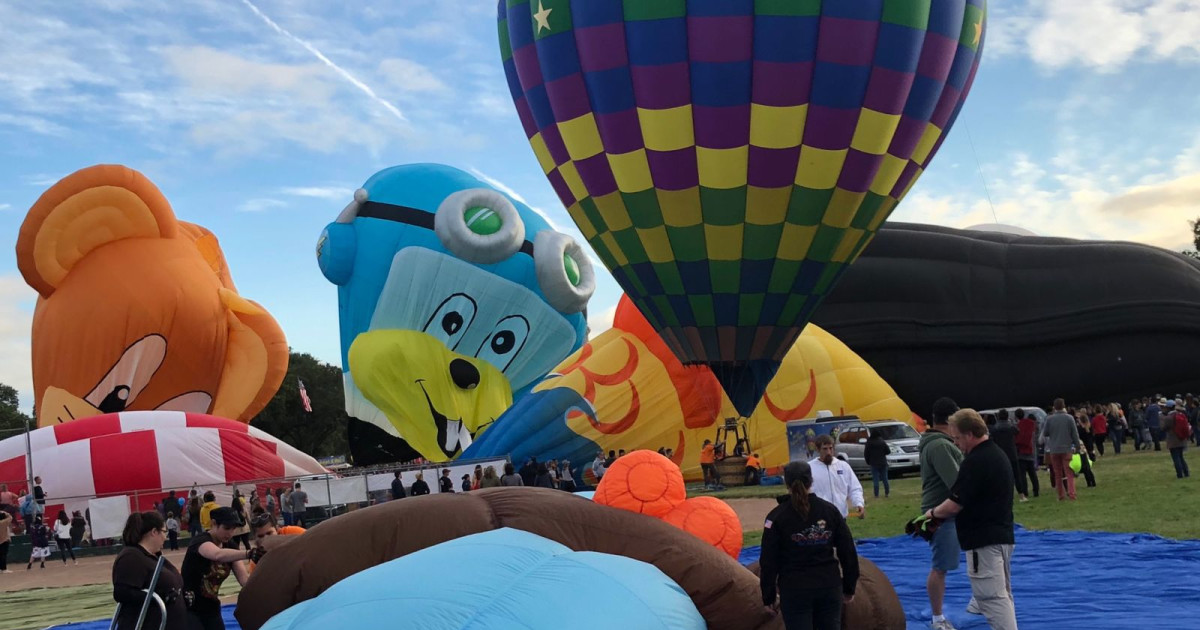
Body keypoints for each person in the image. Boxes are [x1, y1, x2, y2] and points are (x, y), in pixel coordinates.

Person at [925, 409, 1017, 630]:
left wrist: (931, 514)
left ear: (969, 434)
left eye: (956, 438)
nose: (956, 443)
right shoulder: (996, 453)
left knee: (992, 598)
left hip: (983, 541)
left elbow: (955, 503)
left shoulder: (976, 461)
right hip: (1002, 535)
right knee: (1001, 593)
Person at [759, 461, 859, 630]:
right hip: (828, 585)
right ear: (811, 481)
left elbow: (768, 561)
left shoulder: (776, 517)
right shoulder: (830, 511)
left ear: (786, 483)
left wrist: (768, 596)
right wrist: (849, 586)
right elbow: (848, 551)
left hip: (795, 589)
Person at [919, 396, 964, 630]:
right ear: (950, 419)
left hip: (945, 512)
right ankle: (937, 619)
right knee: (940, 567)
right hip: (944, 513)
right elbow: (956, 483)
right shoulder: (941, 446)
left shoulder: (936, 443)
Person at [181, 507, 255, 630]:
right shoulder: (200, 541)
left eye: (233, 528)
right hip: (190, 608)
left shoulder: (231, 545)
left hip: (212, 607)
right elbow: (218, 555)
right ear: (214, 523)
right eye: (226, 528)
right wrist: (249, 553)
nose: (230, 533)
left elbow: (244, 581)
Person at [112, 511, 187, 630]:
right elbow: (122, 592)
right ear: (154, 532)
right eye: (164, 532)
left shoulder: (153, 557)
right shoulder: (131, 557)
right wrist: (159, 596)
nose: (165, 536)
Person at [807, 435, 865, 520]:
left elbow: (855, 488)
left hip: (840, 517)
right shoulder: (809, 468)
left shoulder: (843, 466)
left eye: (831, 448)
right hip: (819, 518)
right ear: (818, 449)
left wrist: (859, 504)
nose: (828, 452)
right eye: (825, 449)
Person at [1039, 399, 1083, 500]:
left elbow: (1045, 433)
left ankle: (1060, 495)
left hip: (1054, 449)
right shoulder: (1069, 418)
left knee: (1057, 473)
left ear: (1054, 407)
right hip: (1066, 448)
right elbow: (1075, 434)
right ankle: (1072, 494)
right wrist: (1077, 446)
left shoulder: (1049, 419)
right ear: (1064, 406)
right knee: (1069, 473)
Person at [990, 410, 1025, 501]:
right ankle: (1021, 495)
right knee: (1017, 475)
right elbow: (1018, 431)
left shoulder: (995, 428)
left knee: (1000, 476)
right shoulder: (1011, 427)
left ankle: (1003, 495)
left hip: (1000, 454)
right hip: (1012, 453)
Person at [1014, 409, 1039, 498]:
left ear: (1016, 416)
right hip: (1030, 450)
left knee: (1022, 475)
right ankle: (1036, 491)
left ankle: (1025, 492)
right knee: (1032, 473)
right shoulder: (1031, 424)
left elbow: (1017, 439)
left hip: (1021, 452)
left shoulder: (1017, 426)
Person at [1166, 398, 1193, 478]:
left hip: (1173, 440)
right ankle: (1186, 472)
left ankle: (1179, 474)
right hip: (1182, 439)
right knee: (1181, 457)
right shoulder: (1181, 414)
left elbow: (1163, 427)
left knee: (1176, 458)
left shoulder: (1169, 417)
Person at [864, 433, 890, 498]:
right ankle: (887, 492)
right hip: (883, 462)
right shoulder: (882, 441)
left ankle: (876, 494)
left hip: (873, 463)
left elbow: (866, 453)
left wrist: (868, 461)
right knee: (885, 478)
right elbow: (888, 451)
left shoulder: (869, 442)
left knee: (875, 479)